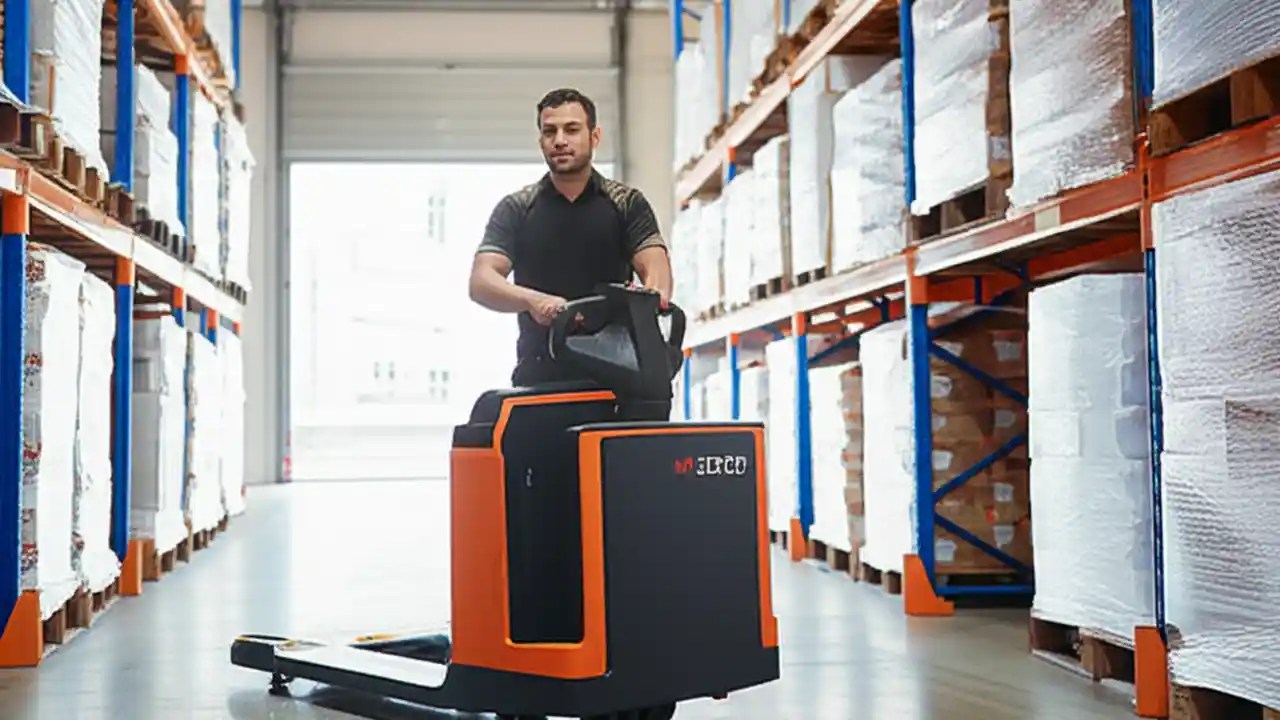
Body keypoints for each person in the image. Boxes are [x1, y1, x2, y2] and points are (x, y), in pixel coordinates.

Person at [468, 88, 674, 387]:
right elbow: (482, 280)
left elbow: (656, 271)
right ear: (541, 142)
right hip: (538, 376)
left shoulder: (627, 203)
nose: (560, 140)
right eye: (550, 131)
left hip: (618, 377)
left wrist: (649, 301)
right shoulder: (517, 208)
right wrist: (533, 301)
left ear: (595, 137)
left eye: (572, 129)